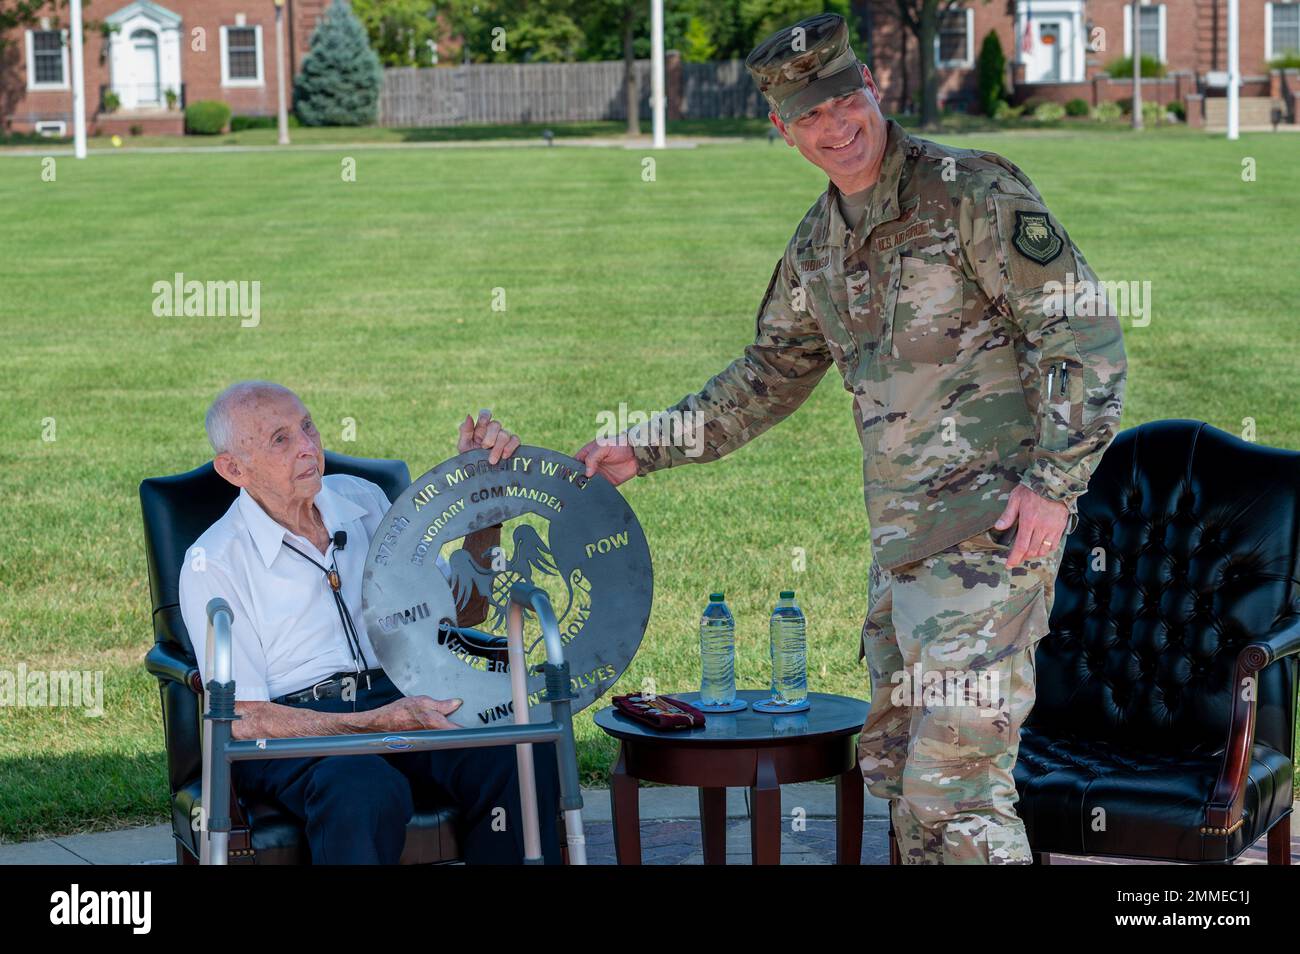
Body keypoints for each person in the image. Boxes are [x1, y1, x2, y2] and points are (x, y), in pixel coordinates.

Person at [576, 13, 1127, 864]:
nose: (835, 128)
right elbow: (766, 375)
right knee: (896, 768)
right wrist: (643, 449)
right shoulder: (819, 244)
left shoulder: (970, 192)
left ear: (871, 86)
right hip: (902, 548)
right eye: (810, 117)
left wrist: (1054, 488)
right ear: (783, 130)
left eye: (843, 102)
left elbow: (1081, 334)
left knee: (958, 791)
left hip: (993, 539)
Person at [179, 380, 560, 864]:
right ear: (234, 469)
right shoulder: (214, 561)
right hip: (297, 729)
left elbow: (463, 613)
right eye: (281, 440)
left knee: (519, 755)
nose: (308, 448)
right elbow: (244, 717)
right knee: (363, 791)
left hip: (404, 694)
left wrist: (482, 497)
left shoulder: (363, 501)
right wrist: (375, 723)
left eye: (308, 427)